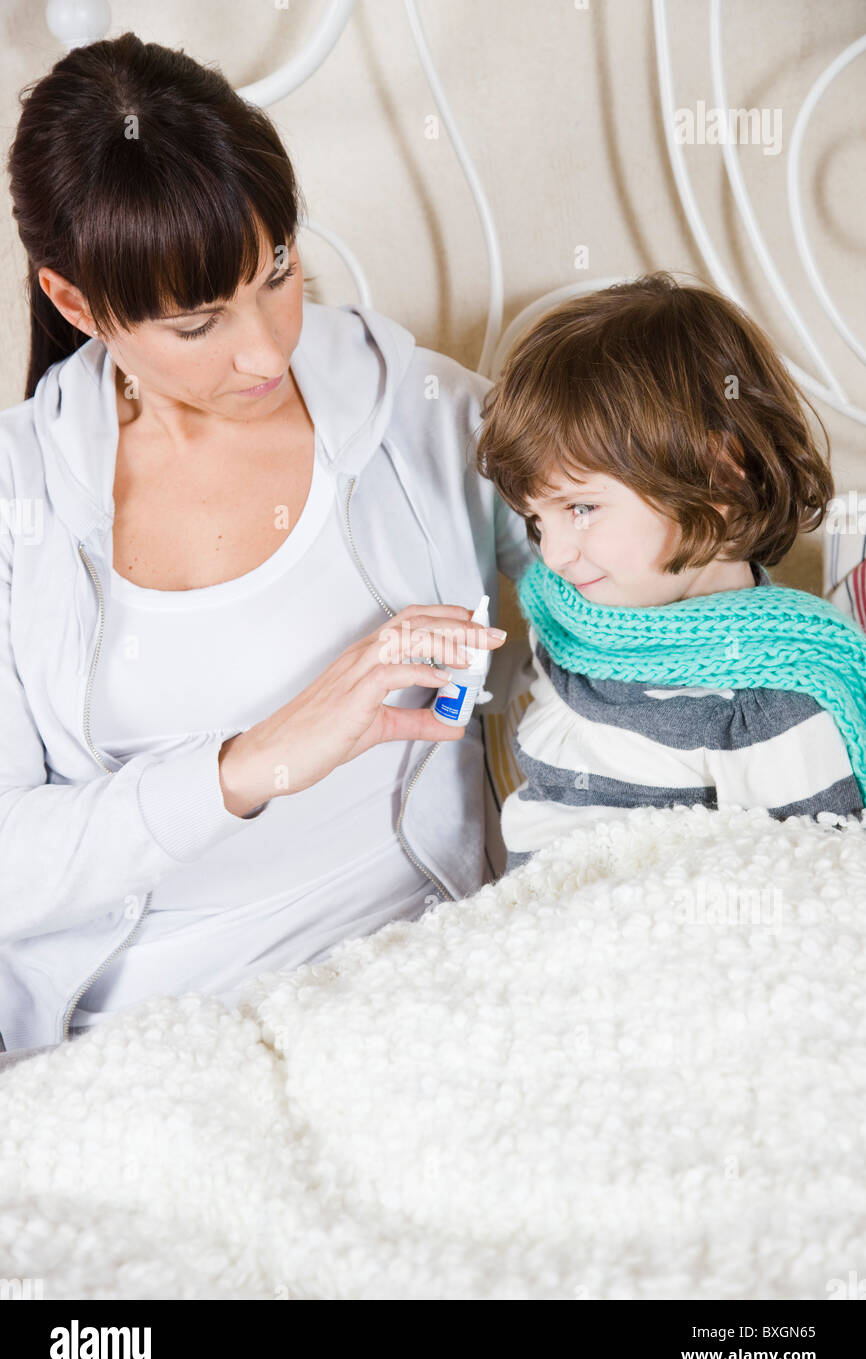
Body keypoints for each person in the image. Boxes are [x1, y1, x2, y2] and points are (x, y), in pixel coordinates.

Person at [0, 32, 532, 1058]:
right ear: (74, 302)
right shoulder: (19, 498)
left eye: (276, 268)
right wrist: (253, 762)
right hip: (135, 1043)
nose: (266, 345)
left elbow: (624, 579)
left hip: (415, 986)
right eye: (199, 322)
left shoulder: (416, 414)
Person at [473, 274, 866, 870]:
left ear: (719, 478)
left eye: (581, 507)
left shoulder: (775, 709)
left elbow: (816, 905)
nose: (551, 555)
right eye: (535, 516)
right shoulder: (573, 619)